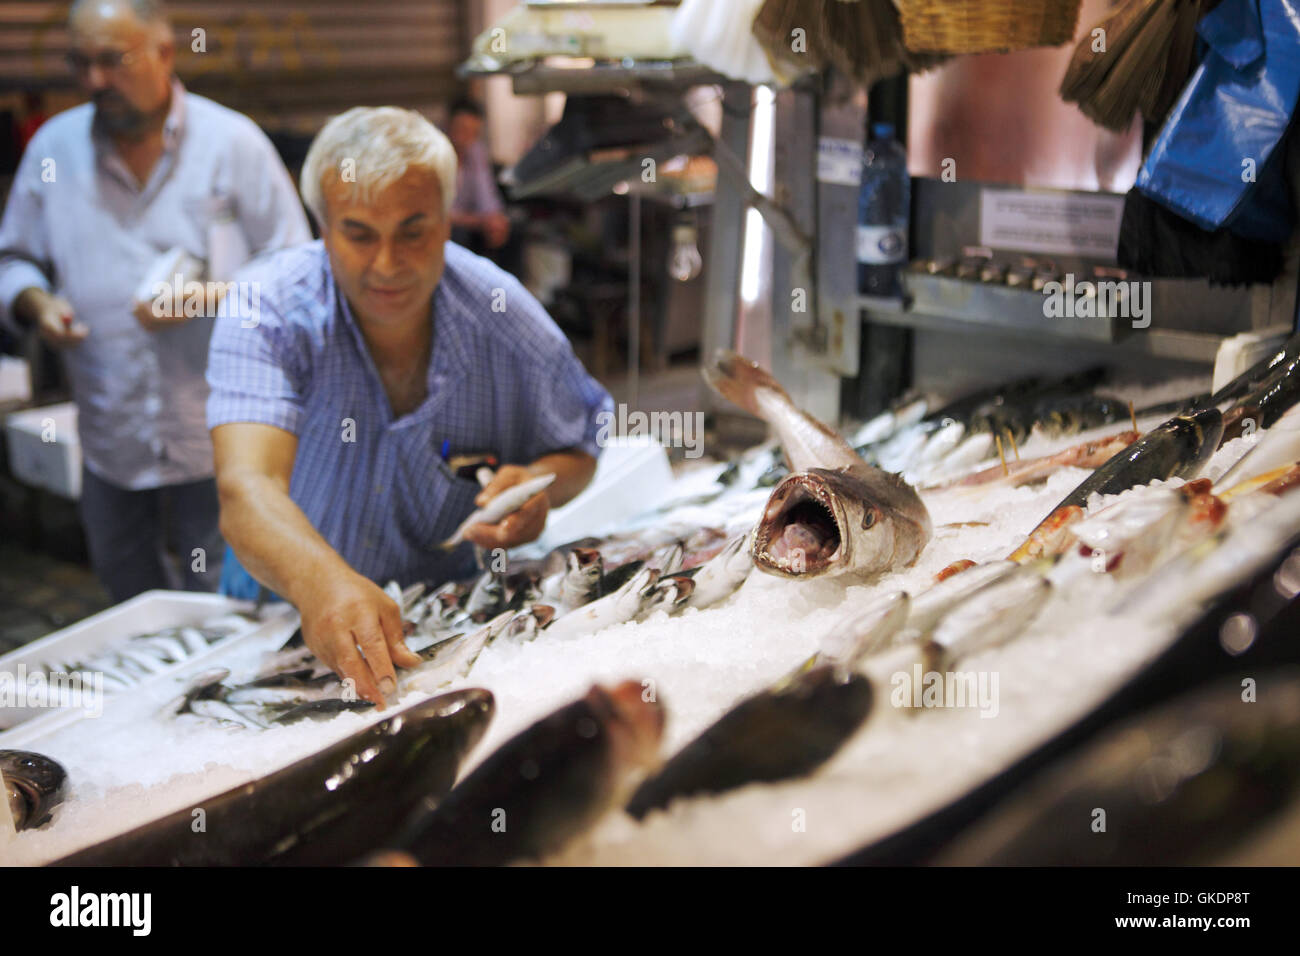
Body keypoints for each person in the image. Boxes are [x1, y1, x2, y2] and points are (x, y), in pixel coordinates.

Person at [207, 106, 612, 708]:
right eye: (359, 233)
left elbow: (581, 441)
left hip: (444, 625)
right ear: (321, 226)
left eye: (414, 230)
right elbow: (247, 488)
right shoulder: (265, 312)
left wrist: (536, 488)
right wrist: (322, 584)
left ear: (450, 220)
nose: (388, 264)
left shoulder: (501, 312)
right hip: (276, 614)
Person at [0, 0, 310, 602]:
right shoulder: (54, 153)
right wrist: (36, 304)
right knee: (132, 599)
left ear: (165, 53)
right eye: (79, 63)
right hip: (110, 437)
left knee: (229, 602)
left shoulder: (232, 144)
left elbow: (299, 270)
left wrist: (208, 298)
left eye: (113, 61)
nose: (94, 82)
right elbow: (13, 258)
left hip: (221, 437)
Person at [446, 98, 511, 252]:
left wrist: (495, 220)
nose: (466, 138)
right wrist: (478, 221)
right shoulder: (433, 156)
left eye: (472, 133)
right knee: (458, 235)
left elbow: (487, 197)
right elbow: (435, 214)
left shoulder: (476, 152)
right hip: (448, 230)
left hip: (471, 226)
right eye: (461, 130)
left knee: (508, 229)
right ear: (448, 126)